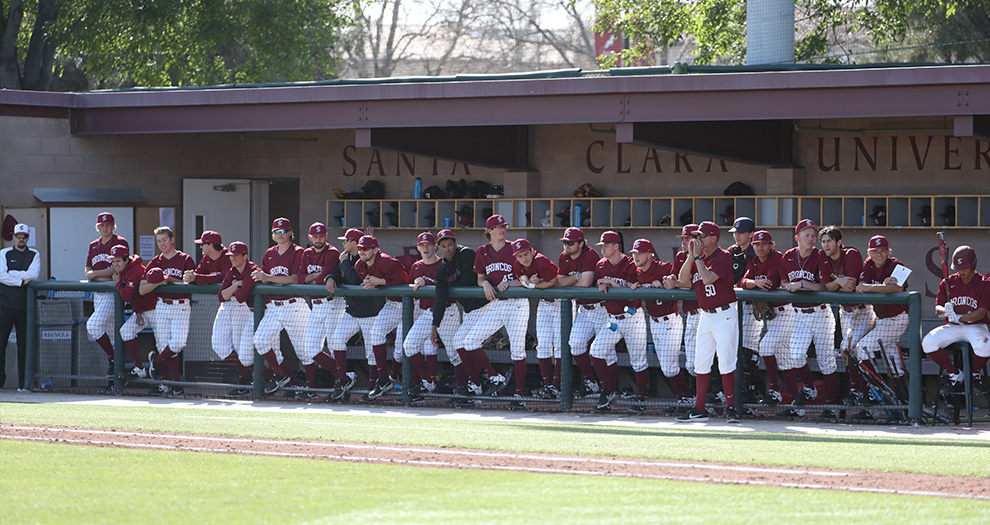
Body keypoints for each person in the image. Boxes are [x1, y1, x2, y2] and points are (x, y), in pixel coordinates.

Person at [674, 221, 740, 423]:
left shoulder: (723, 256)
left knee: (726, 362)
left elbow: (708, 278)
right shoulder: (696, 256)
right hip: (705, 315)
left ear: (713, 238)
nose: (698, 239)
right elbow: (683, 279)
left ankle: (731, 409)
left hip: (724, 314)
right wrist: (691, 256)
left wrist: (698, 257)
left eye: (702, 236)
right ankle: (699, 409)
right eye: (697, 236)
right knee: (700, 363)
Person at [778, 219, 838, 418]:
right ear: (797, 238)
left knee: (826, 361)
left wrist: (803, 284)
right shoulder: (788, 256)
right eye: (807, 235)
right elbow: (783, 280)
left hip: (820, 313)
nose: (811, 239)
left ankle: (831, 406)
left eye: (814, 235)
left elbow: (826, 286)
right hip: (799, 315)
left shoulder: (820, 255)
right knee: (795, 355)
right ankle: (810, 388)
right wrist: (789, 286)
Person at [461, 215, 522, 398]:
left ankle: (519, 395)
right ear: (488, 231)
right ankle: (495, 376)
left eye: (503, 226)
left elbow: (528, 277)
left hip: (517, 304)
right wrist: (485, 283)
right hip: (496, 304)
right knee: (469, 341)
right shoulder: (482, 251)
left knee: (518, 351)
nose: (501, 229)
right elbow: (480, 277)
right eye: (497, 227)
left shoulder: (515, 248)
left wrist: (512, 283)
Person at [922, 245, 990, 398]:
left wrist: (961, 317)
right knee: (928, 342)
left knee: (985, 345)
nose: (961, 271)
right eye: (958, 267)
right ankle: (954, 374)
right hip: (953, 326)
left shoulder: (984, 283)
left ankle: (974, 374)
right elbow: (937, 308)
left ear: (973, 265)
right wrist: (945, 310)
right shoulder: (948, 282)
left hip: (976, 326)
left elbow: (981, 313)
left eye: (965, 267)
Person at [431, 229, 489, 406]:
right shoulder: (441, 271)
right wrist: (435, 326)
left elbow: (467, 281)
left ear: (455, 244)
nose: (448, 249)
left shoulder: (466, 254)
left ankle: (488, 378)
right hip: (470, 310)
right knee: (461, 342)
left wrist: (450, 283)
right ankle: (475, 384)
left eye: (450, 244)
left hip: (487, 306)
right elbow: (440, 298)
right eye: (444, 246)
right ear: (438, 248)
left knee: (467, 342)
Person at [252, 218, 309, 395]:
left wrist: (268, 277)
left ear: (291, 232)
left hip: (294, 305)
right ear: (272, 234)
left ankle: (312, 388)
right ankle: (281, 375)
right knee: (260, 341)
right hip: (275, 306)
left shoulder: (299, 252)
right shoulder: (269, 253)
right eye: (277, 231)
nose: (281, 234)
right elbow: (262, 279)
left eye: (284, 231)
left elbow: (294, 279)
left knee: (305, 353)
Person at [633, 238, 691, 408]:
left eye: (640, 253)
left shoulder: (663, 267)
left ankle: (687, 398)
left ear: (650, 255)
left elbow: (676, 279)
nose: (636, 257)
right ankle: (685, 398)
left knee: (670, 366)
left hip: (669, 320)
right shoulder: (637, 271)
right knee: (667, 366)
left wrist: (665, 282)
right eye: (635, 253)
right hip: (654, 321)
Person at [818, 226, 874, 406]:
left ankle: (865, 390)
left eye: (829, 241)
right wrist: (836, 282)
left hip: (862, 310)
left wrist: (835, 285)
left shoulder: (851, 254)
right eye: (823, 242)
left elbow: (849, 286)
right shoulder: (823, 258)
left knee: (851, 348)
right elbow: (826, 287)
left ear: (839, 242)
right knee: (847, 351)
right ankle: (859, 390)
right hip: (846, 312)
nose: (826, 245)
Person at [586, 232, 641, 412]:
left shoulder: (631, 264)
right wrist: (601, 285)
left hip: (633, 317)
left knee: (638, 361)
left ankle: (641, 400)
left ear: (616, 246)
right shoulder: (600, 265)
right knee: (596, 350)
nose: (602, 249)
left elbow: (633, 292)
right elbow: (598, 283)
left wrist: (611, 283)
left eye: (606, 245)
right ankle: (608, 390)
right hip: (613, 320)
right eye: (601, 245)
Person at [405, 231, 461, 401]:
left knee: (454, 354)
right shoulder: (416, 267)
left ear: (435, 246)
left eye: (429, 244)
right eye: (422, 245)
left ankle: (464, 389)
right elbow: (410, 288)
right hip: (428, 313)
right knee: (409, 345)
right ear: (418, 247)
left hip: (447, 311)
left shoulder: (445, 263)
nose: (426, 248)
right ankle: (427, 381)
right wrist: (416, 283)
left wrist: (427, 283)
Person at [139, 226, 195, 393]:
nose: (162, 244)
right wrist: (159, 282)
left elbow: (189, 282)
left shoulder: (185, 258)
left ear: (172, 240)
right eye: (159, 241)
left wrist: (169, 279)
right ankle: (173, 385)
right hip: (162, 304)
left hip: (181, 305)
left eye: (164, 240)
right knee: (164, 346)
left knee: (177, 343)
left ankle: (156, 362)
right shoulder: (156, 262)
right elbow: (142, 288)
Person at [354, 234, 410, 400]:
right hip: (392, 305)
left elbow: (406, 282)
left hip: (411, 306)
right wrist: (371, 283)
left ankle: (417, 385)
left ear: (376, 249)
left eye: (366, 249)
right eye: (359, 248)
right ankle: (383, 379)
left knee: (404, 349)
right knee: (376, 333)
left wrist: (380, 281)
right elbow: (367, 281)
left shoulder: (388, 262)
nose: (362, 252)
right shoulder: (359, 264)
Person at [739, 230, 789, 405]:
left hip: (786, 310)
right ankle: (795, 403)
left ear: (771, 245)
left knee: (766, 346)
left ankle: (774, 390)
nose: (760, 247)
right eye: (756, 244)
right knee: (785, 359)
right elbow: (743, 282)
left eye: (764, 244)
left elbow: (771, 282)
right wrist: (755, 283)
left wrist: (757, 284)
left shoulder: (777, 258)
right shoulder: (754, 261)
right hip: (773, 315)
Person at [295, 222, 343, 400]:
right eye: (315, 236)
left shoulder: (332, 252)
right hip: (316, 305)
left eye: (321, 236)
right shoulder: (306, 254)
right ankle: (343, 376)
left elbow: (324, 278)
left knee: (334, 346)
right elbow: (300, 279)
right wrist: (315, 276)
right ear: (310, 237)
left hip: (333, 304)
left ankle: (342, 382)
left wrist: (313, 278)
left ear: (326, 237)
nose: (318, 239)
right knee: (310, 348)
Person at [855, 235, 910, 388]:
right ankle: (902, 400)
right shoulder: (868, 264)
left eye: (883, 251)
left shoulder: (898, 265)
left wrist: (873, 287)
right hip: (881, 319)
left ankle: (877, 388)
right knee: (893, 364)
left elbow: (897, 288)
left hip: (897, 318)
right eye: (875, 251)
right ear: (869, 253)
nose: (879, 254)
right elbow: (861, 285)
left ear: (888, 252)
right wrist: (882, 286)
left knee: (862, 348)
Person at [511, 238, 560, 406]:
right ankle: (548, 385)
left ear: (531, 251)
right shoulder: (517, 265)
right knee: (543, 345)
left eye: (526, 254)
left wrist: (534, 285)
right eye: (519, 256)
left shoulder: (541, 261)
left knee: (560, 346)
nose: (524, 258)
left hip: (561, 302)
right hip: (545, 303)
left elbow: (554, 281)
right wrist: (528, 282)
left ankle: (557, 386)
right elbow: (521, 280)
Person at [323, 228, 368, 402]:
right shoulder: (346, 257)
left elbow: (355, 278)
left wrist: (343, 263)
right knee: (336, 339)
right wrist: (330, 277)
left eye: (346, 241)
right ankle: (343, 379)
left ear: (355, 243)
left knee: (372, 351)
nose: (343, 243)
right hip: (353, 310)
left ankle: (373, 388)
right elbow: (338, 274)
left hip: (370, 312)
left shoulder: (363, 258)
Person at [110, 245, 163, 393]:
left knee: (161, 345)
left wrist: (118, 283)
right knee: (125, 331)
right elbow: (133, 296)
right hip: (143, 310)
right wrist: (138, 312)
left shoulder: (135, 270)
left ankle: (163, 383)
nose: (115, 265)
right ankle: (139, 368)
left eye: (118, 261)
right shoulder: (125, 271)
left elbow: (126, 295)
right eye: (113, 261)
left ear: (126, 260)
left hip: (155, 308)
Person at [556, 227, 602, 396]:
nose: (566, 246)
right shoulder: (564, 257)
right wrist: (576, 277)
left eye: (570, 243)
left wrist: (572, 282)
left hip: (601, 309)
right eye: (565, 243)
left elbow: (587, 282)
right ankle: (591, 383)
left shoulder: (590, 254)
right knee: (575, 344)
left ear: (581, 244)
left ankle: (609, 388)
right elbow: (560, 281)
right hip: (583, 309)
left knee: (605, 351)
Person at [84, 212, 129, 378]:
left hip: (113, 294)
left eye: (108, 224)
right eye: (102, 225)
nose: (105, 228)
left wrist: (95, 275)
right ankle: (116, 376)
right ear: (97, 227)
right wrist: (95, 274)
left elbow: (116, 269)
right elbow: (87, 269)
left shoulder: (120, 242)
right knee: (111, 338)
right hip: (98, 294)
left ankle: (113, 360)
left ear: (113, 226)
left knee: (93, 326)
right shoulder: (93, 245)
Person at [212, 241, 258, 396]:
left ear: (245, 256)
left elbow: (240, 297)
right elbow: (221, 296)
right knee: (218, 344)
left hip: (245, 309)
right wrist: (235, 285)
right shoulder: (231, 271)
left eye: (237, 255)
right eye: (231, 255)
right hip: (229, 307)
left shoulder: (252, 269)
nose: (233, 258)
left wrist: (233, 289)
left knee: (242, 350)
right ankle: (247, 377)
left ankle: (247, 383)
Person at [664, 224, 701, 410]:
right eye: (683, 239)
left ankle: (712, 398)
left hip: (708, 313)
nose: (684, 243)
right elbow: (678, 277)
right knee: (692, 365)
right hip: (691, 314)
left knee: (709, 361)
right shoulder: (680, 256)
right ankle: (699, 399)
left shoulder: (706, 255)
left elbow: (691, 283)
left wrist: (677, 283)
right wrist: (671, 279)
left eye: (688, 239)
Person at [0, 223, 40, 392]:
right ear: (13, 237)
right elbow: (1, 275)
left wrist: (13, 274)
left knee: (25, 345)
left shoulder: (34, 254)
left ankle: (25, 384)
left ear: (28, 238)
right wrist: (20, 281)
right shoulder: (4, 253)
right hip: (5, 305)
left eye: (24, 236)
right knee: (1, 344)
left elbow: (34, 274)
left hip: (26, 306)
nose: (21, 239)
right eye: (18, 236)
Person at [728, 217, 760, 354]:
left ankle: (752, 375)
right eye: (735, 232)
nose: (737, 236)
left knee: (748, 350)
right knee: (732, 346)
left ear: (751, 234)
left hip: (751, 304)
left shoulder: (757, 252)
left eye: (741, 233)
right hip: (733, 303)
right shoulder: (732, 251)